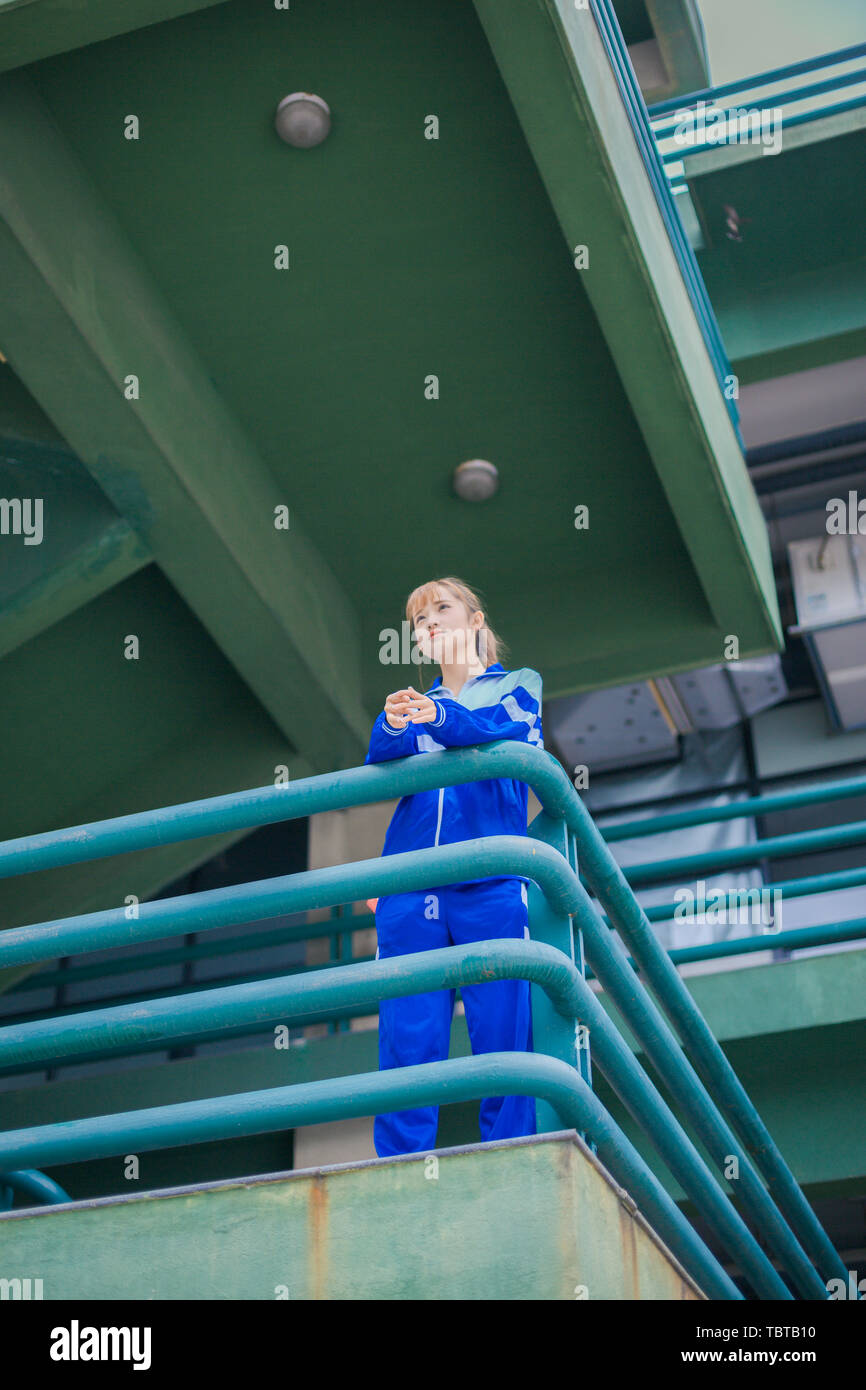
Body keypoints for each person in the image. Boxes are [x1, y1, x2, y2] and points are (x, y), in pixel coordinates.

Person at [364, 576, 544, 1157]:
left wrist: (436, 720)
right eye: (419, 620)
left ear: (476, 623)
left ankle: (512, 1159)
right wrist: (394, 722)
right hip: (413, 890)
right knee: (407, 1041)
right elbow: (381, 760)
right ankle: (398, 1169)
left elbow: (501, 733)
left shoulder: (517, 685)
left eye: (442, 609)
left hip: (489, 881)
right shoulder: (418, 707)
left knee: (502, 1035)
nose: (430, 623)